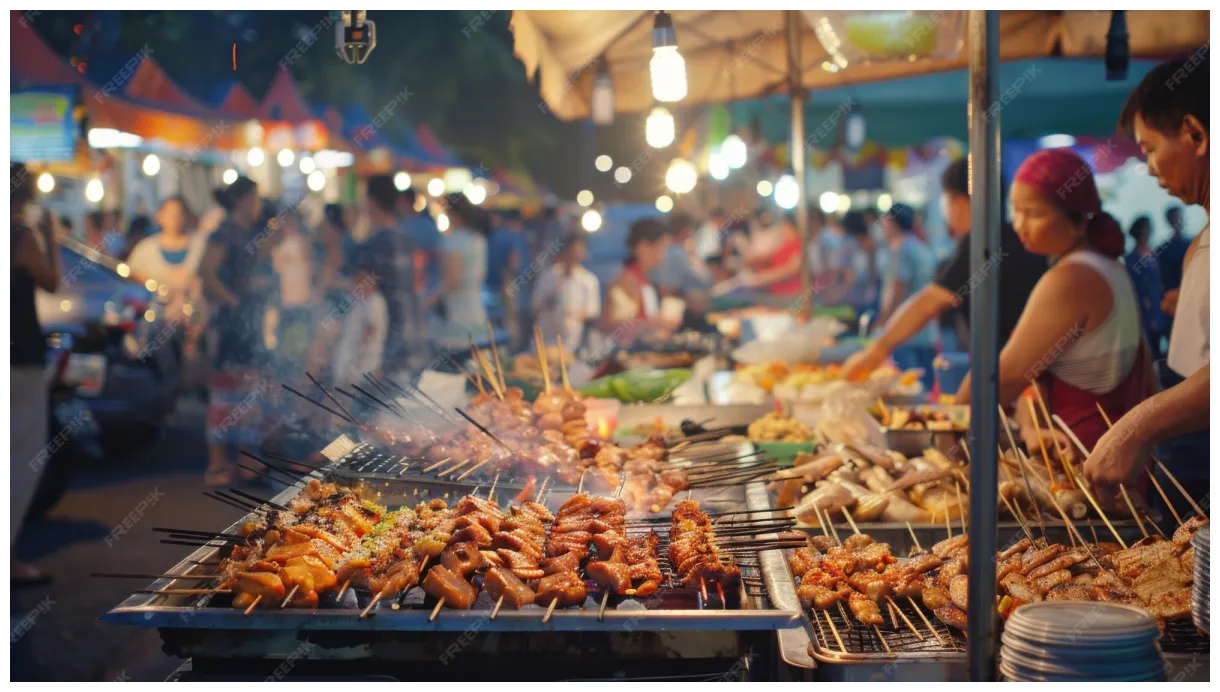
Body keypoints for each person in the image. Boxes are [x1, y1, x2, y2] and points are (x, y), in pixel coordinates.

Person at [953, 148, 1156, 459]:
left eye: (1033, 213)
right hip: (1114, 460)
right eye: (1015, 210)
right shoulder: (1108, 265)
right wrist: (1030, 424)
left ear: (1077, 220)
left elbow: (1002, 378)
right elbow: (1033, 370)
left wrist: (948, 430)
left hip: (1087, 465)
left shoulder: (1072, 278)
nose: (1019, 225)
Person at [1084, 55, 1210, 510]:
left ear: (1195, 133)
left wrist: (1135, 428)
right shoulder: (1205, 233)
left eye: (1150, 148)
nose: (1151, 169)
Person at [843, 158, 1047, 380]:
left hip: (1012, 378)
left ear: (957, 202)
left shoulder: (982, 242)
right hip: (1020, 373)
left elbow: (928, 302)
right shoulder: (1008, 239)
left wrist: (874, 353)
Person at [197, 177, 269, 486]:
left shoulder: (247, 232)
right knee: (225, 392)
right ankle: (216, 464)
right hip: (229, 325)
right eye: (255, 198)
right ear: (242, 200)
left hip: (249, 323)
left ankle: (243, 458)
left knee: (246, 390)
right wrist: (233, 300)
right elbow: (206, 271)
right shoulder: (225, 230)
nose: (258, 205)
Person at [10, 164, 62, 586]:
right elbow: (52, 282)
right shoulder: (20, 238)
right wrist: (51, 238)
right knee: (22, 457)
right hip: (19, 358)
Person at [875, 204, 939, 389]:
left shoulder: (901, 250)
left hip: (906, 333)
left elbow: (897, 290)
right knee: (924, 386)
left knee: (908, 388)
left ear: (893, 223)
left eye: (885, 221)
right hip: (926, 331)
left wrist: (884, 321)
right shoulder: (920, 247)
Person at [420, 194, 490, 345]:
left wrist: (428, 301)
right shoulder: (478, 239)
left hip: (457, 312)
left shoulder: (452, 242)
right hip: (476, 307)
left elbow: (452, 279)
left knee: (456, 359)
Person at [363, 175, 416, 372]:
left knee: (378, 398)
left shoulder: (374, 242)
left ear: (371, 202)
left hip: (384, 334)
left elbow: (364, 290)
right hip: (410, 327)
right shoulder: (407, 239)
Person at [126, 197, 205, 322]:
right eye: (171, 215)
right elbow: (131, 279)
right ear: (160, 216)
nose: (175, 219)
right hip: (156, 320)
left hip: (195, 320)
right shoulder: (145, 248)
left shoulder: (200, 245)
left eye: (179, 214)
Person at [600, 218, 674, 342]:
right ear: (643, 246)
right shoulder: (626, 278)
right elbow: (605, 324)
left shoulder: (643, 278)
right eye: (661, 248)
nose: (663, 256)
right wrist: (654, 323)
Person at [532, 232, 600, 351]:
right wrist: (549, 304)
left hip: (570, 343)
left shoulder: (589, 280)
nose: (574, 256)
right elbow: (535, 304)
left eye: (578, 252)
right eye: (571, 252)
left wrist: (571, 313)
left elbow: (593, 312)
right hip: (544, 340)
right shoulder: (550, 275)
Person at [331, 252, 388, 389]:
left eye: (362, 279)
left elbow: (369, 332)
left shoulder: (375, 302)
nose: (357, 282)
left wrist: (354, 365)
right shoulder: (358, 303)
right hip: (346, 371)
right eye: (357, 278)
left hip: (360, 374)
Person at [270, 208, 315, 372]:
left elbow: (310, 268)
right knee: (284, 347)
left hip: (301, 303)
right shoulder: (277, 246)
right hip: (285, 304)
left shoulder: (303, 242)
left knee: (300, 346)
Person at [822, 210, 882, 318]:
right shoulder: (871, 243)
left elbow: (849, 278)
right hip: (873, 298)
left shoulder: (848, 243)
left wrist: (834, 296)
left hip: (854, 301)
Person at [1123, 216, 1168, 357]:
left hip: (1159, 304)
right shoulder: (1132, 258)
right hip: (1144, 308)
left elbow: (1158, 279)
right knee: (1151, 346)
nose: (1149, 232)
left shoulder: (1152, 253)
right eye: (1146, 230)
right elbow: (1135, 286)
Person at [652, 212, 712, 308]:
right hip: (682, 308)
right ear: (685, 230)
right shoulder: (675, 254)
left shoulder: (673, 250)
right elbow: (666, 289)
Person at [1157, 206, 1192, 294]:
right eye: (1176, 218)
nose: (1179, 222)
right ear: (1169, 222)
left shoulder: (1194, 244)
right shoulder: (1163, 250)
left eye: (1181, 218)